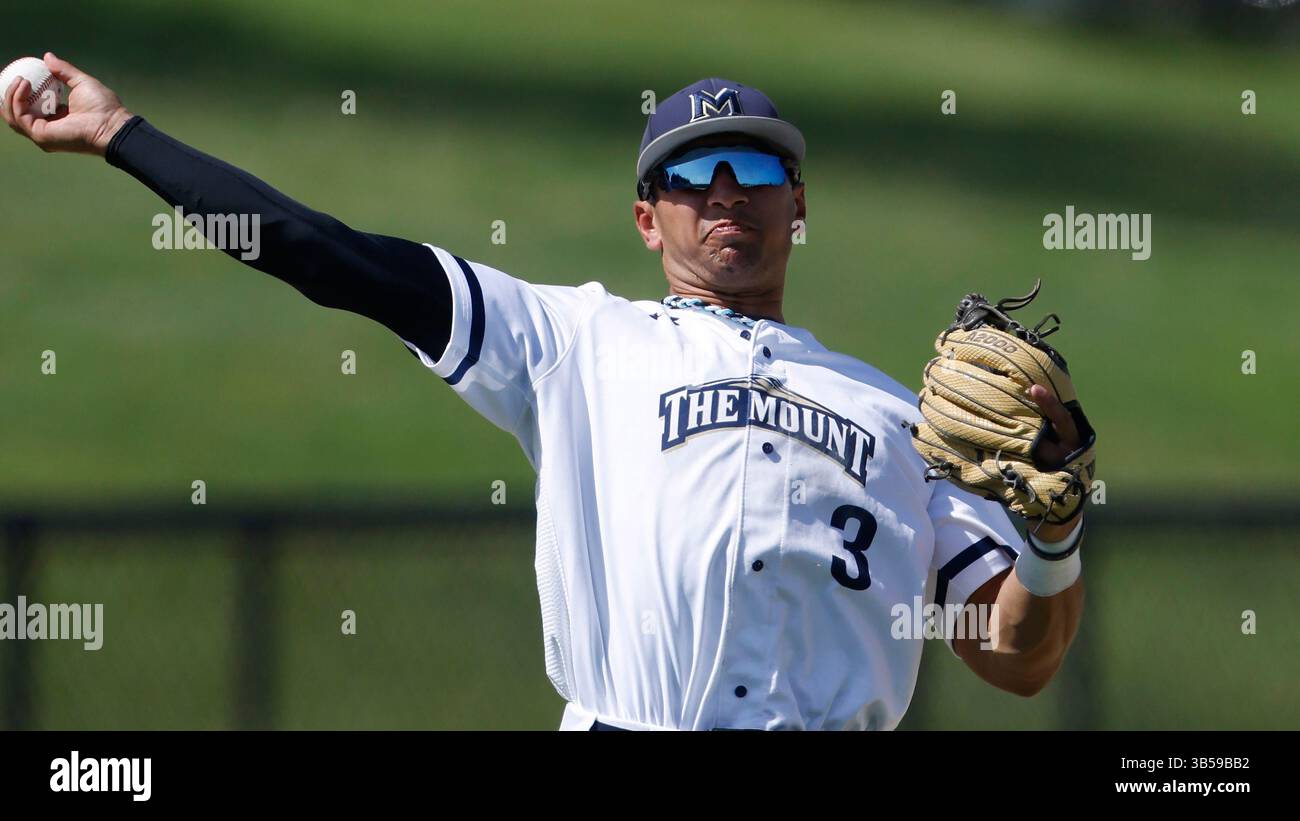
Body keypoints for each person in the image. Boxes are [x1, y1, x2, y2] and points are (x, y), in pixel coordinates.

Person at [4, 58, 1086, 730]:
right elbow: (328, 255)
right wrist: (118, 136)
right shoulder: (573, 340)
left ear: (795, 204)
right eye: (688, 175)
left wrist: (1053, 532)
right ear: (642, 217)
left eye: (753, 173)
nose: (723, 195)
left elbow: (1013, 656)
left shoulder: (895, 415)